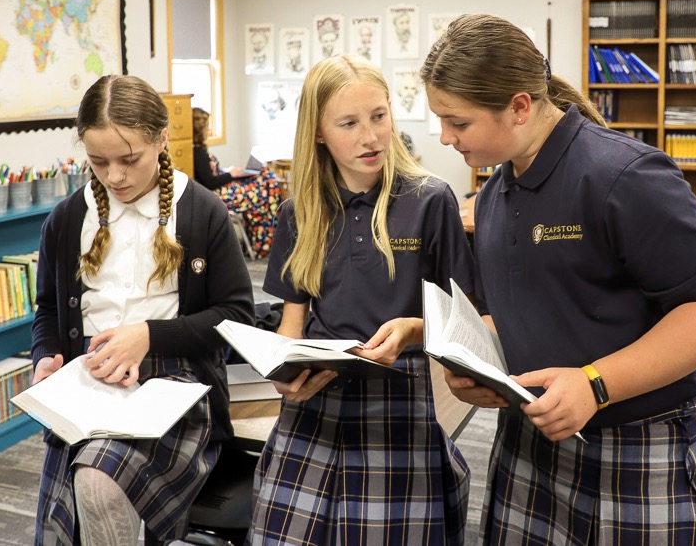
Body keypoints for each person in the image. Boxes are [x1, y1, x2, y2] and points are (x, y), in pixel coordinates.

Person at [420, 14, 696, 544]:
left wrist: (595, 385)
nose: (444, 138)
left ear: (519, 107)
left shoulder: (624, 176)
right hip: (533, 440)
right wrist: (485, 366)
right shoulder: (492, 196)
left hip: (639, 444)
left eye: (457, 122)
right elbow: (531, 310)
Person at [249, 55, 475, 545]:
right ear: (318, 133)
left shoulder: (430, 200)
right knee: (283, 532)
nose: (371, 137)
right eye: (349, 124)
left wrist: (414, 329)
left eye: (379, 116)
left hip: (398, 392)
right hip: (317, 393)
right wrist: (282, 377)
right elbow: (292, 321)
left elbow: (466, 320)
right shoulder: (298, 212)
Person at [31, 75, 256, 546]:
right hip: (88, 384)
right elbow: (48, 309)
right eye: (98, 162)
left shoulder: (202, 211)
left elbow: (237, 317)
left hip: (177, 387)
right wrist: (47, 356)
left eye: (129, 160)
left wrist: (151, 335)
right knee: (83, 495)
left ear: (160, 140)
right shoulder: (68, 219)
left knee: (96, 481)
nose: (114, 177)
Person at [192, 107, 282, 258]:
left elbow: (209, 175)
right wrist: (231, 175)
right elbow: (209, 182)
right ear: (198, 129)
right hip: (220, 195)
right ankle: (264, 241)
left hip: (223, 190)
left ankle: (262, 241)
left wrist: (229, 171)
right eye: (207, 126)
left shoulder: (197, 150)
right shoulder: (197, 152)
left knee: (264, 178)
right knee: (268, 185)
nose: (209, 130)